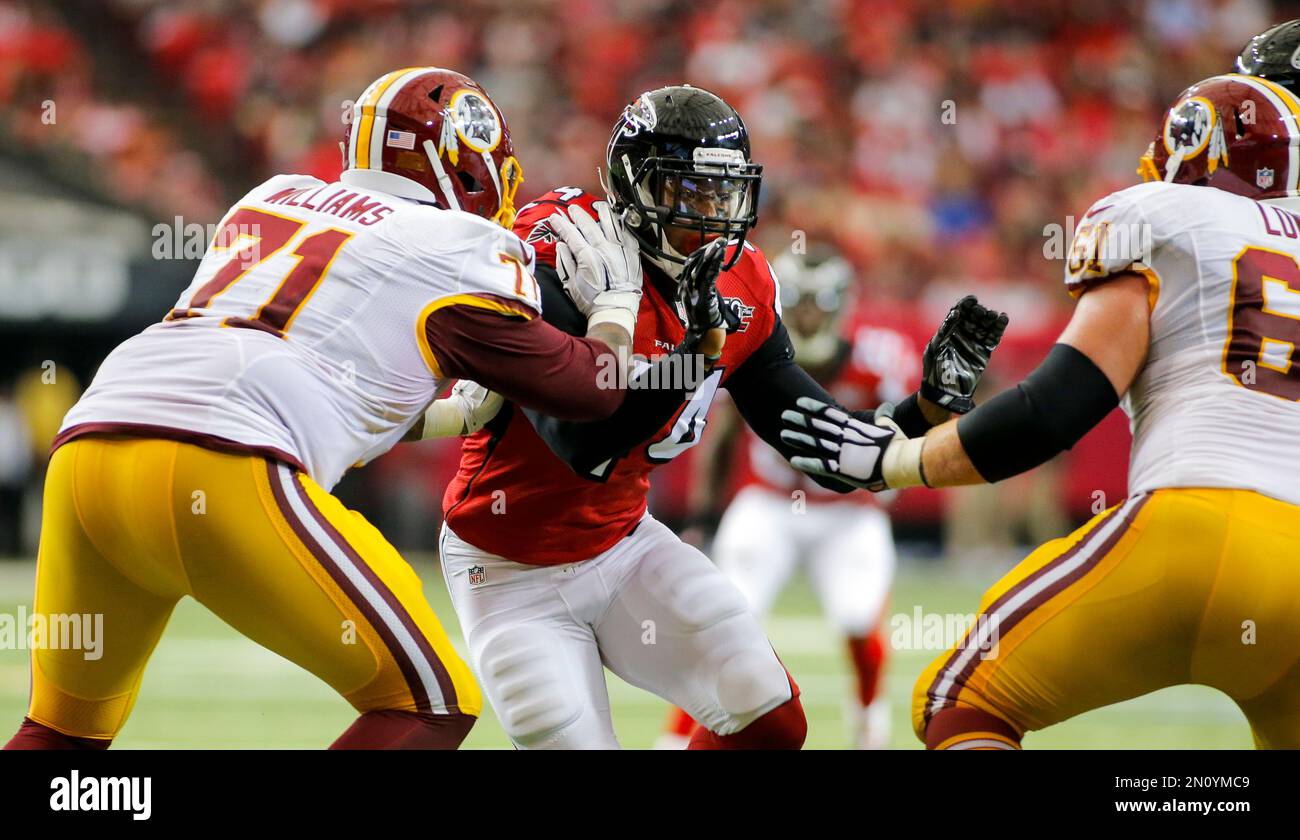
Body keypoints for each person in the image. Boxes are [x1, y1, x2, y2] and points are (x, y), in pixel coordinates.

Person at [3, 67, 680, 751]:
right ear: (469, 164)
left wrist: (455, 415)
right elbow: (591, 392)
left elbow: (331, 365)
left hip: (89, 448)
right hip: (222, 459)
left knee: (59, 734)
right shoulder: (458, 249)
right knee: (432, 701)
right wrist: (617, 308)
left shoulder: (272, 199)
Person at [434, 85, 1006, 749]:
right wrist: (693, 354)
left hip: (621, 544)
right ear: (634, 189)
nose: (713, 217)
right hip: (507, 566)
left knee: (770, 718)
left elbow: (812, 434)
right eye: (690, 194)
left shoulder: (739, 281)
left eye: (723, 193)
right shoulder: (564, 256)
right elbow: (584, 442)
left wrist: (923, 411)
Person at [780, 73, 1300, 750]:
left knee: (960, 702)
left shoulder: (1164, 219)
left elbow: (1053, 411)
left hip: (1196, 524)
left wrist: (895, 459)